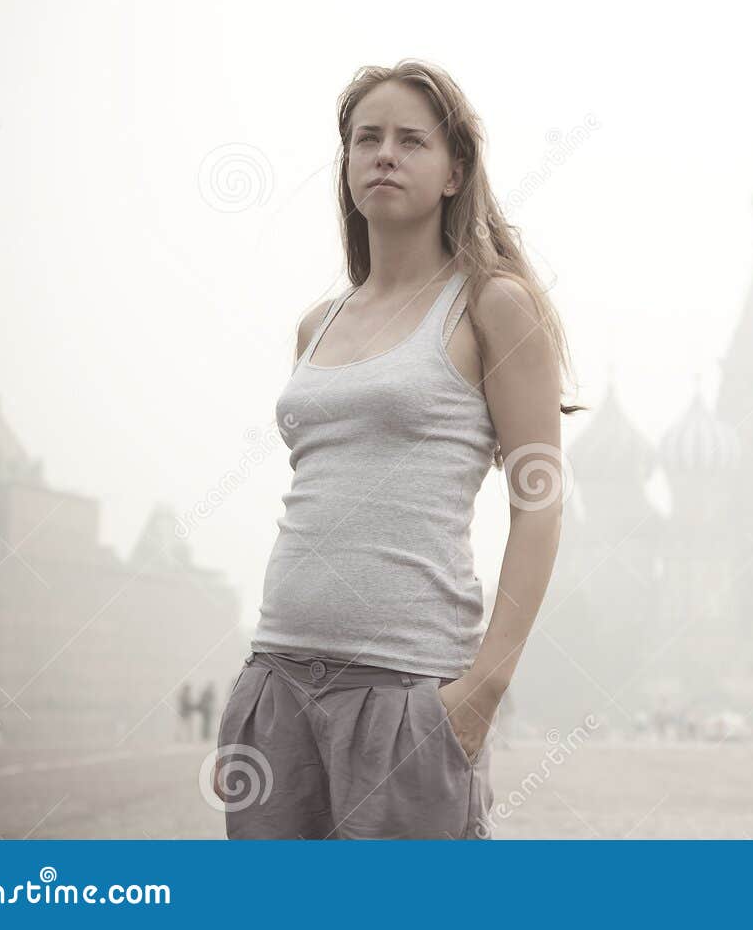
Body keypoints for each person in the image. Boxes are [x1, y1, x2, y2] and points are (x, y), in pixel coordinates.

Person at [215, 60, 581, 839]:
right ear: (345, 163)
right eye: (366, 138)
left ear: (455, 170)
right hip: (276, 680)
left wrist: (481, 689)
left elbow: (539, 506)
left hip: (405, 692)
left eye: (412, 140)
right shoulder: (317, 324)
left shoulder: (492, 304)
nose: (384, 153)